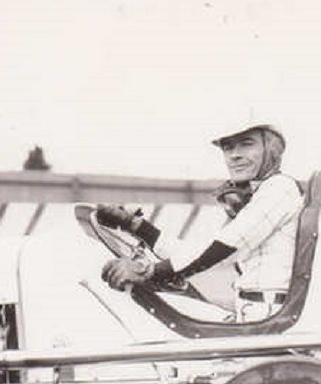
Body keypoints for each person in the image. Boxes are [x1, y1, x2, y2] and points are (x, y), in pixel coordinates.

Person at [99, 123, 304, 322]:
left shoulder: (279, 188)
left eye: (247, 144)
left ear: (271, 150)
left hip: (267, 319)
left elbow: (224, 248)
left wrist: (147, 271)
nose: (235, 155)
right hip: (252, 312)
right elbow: (198, 252)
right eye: (228, 147)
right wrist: (137, 226)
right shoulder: (260, 196)